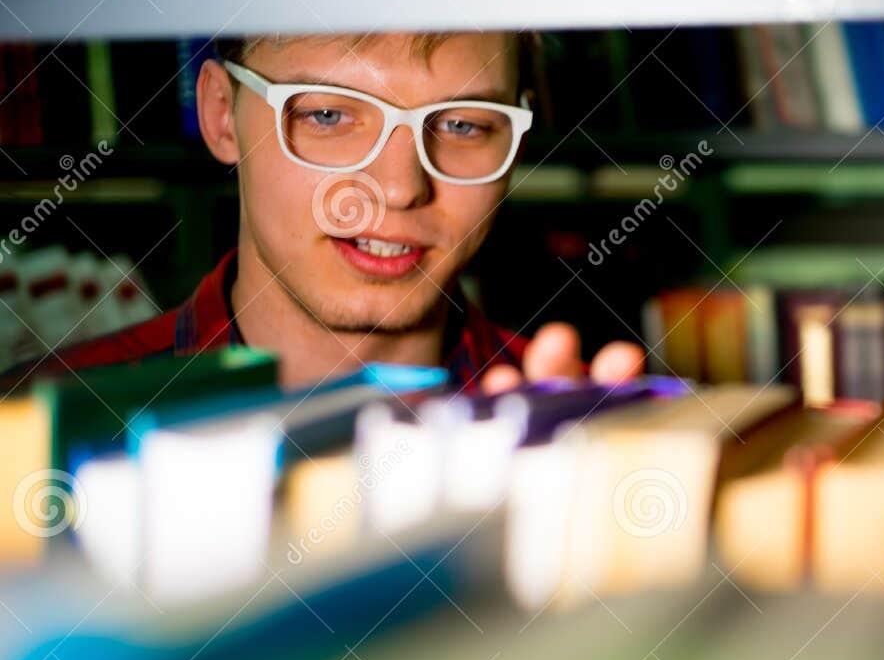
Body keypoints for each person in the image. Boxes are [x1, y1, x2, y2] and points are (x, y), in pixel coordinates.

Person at [3, 31, 644, 393]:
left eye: (462, 124)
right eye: (328, 115)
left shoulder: (576, 421)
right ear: (223, 115)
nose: (398, 188)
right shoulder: (31, 429)